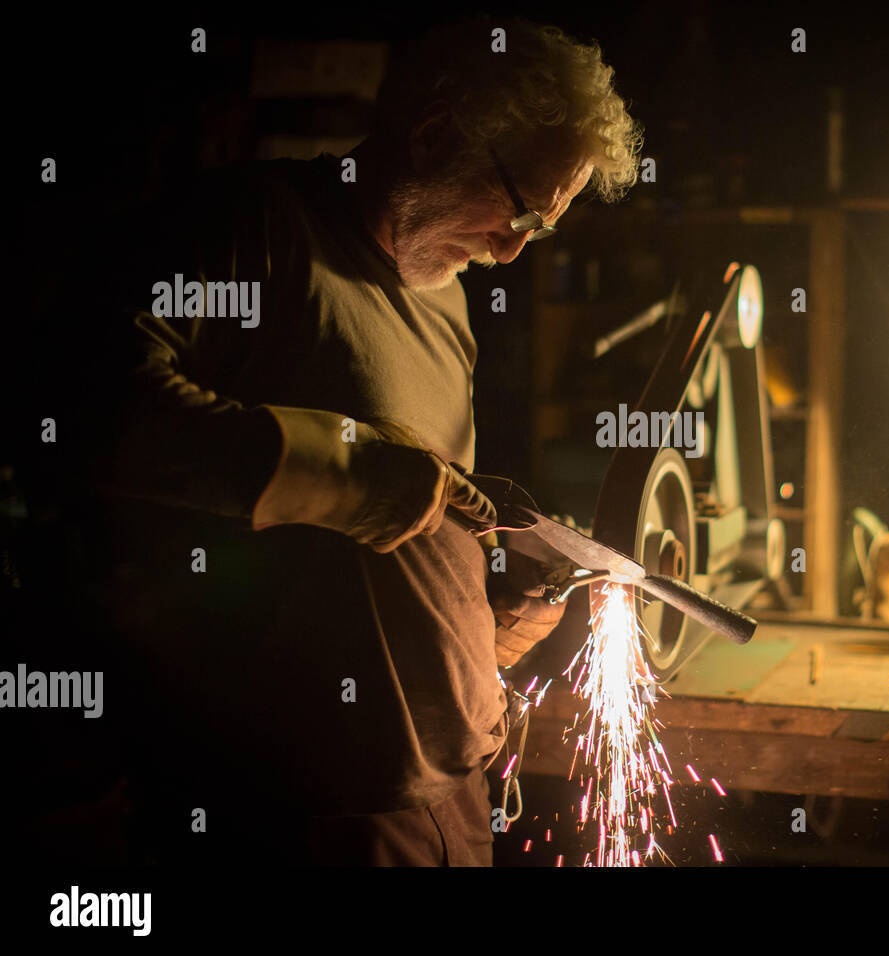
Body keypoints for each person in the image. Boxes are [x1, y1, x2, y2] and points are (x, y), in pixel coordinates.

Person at [80, 16, 642, 866]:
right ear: (435, 137)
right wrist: (342, 472)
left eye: (542, 229)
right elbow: (87, 409)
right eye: (521, 212)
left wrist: (490, 631)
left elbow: (393, 556)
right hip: (299, 820)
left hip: (452, 806)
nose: (509, 252)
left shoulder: (446, 298)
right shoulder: (256, 232)